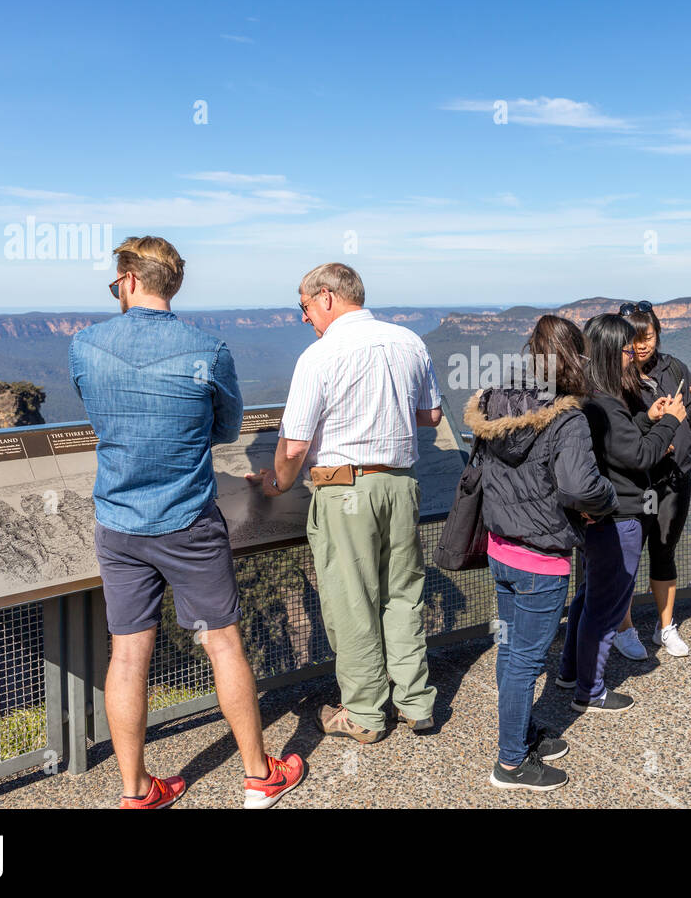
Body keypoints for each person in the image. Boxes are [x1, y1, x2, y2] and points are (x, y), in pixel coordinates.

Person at [70, 235, 305, 809]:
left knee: (126, 654)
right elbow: (226, 430)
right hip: (187, 520)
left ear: (128, 280)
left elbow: (95, 411)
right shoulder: (208, 348)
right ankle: (258, 775)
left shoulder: (85, 346)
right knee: (223, 644)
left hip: (119, 521)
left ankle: (136, 791)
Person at [249, 263, 442, 744]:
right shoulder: (409, 342)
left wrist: (276, 484)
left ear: (328, 298)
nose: (303, 317)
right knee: (403, 594)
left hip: (345, 489)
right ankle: (416, 703)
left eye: (304, 306)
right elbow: (432, 413)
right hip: (400, 484)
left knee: (351, 603)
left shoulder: (320, 355)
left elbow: (293, 446)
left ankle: (364, 713)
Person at [464, 315, 618, 791]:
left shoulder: (492, 403)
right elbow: (580, 486)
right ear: (574, 359)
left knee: (511, 649)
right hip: (541, 558)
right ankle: (510, 764)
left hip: (501, 547)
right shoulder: (568, 418)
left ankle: (522, 733)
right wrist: (607, 499)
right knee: (527, 660)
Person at [555, 313, 686, 713]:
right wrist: (671, 423)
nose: (635, 356)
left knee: (588, 596)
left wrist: (647, 418)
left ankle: (570, 672)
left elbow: (619, 443)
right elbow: (639, 455)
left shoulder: (592, 397)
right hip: (619, 516)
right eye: (629, 349)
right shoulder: (606, 404)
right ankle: (590, 692)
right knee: (606, 606)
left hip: (595, 517)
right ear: (614, 352)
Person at [612, 301, 691, 659]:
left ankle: (665, 627)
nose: (643, 345)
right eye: (635, 339)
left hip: (675, 478)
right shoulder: (617, 375)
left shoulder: (673, 367)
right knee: (627, 555)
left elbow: (689, 414)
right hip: (636, 480)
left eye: (648, 336)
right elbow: (620, 432)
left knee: (664, 550)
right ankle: (623, 628)